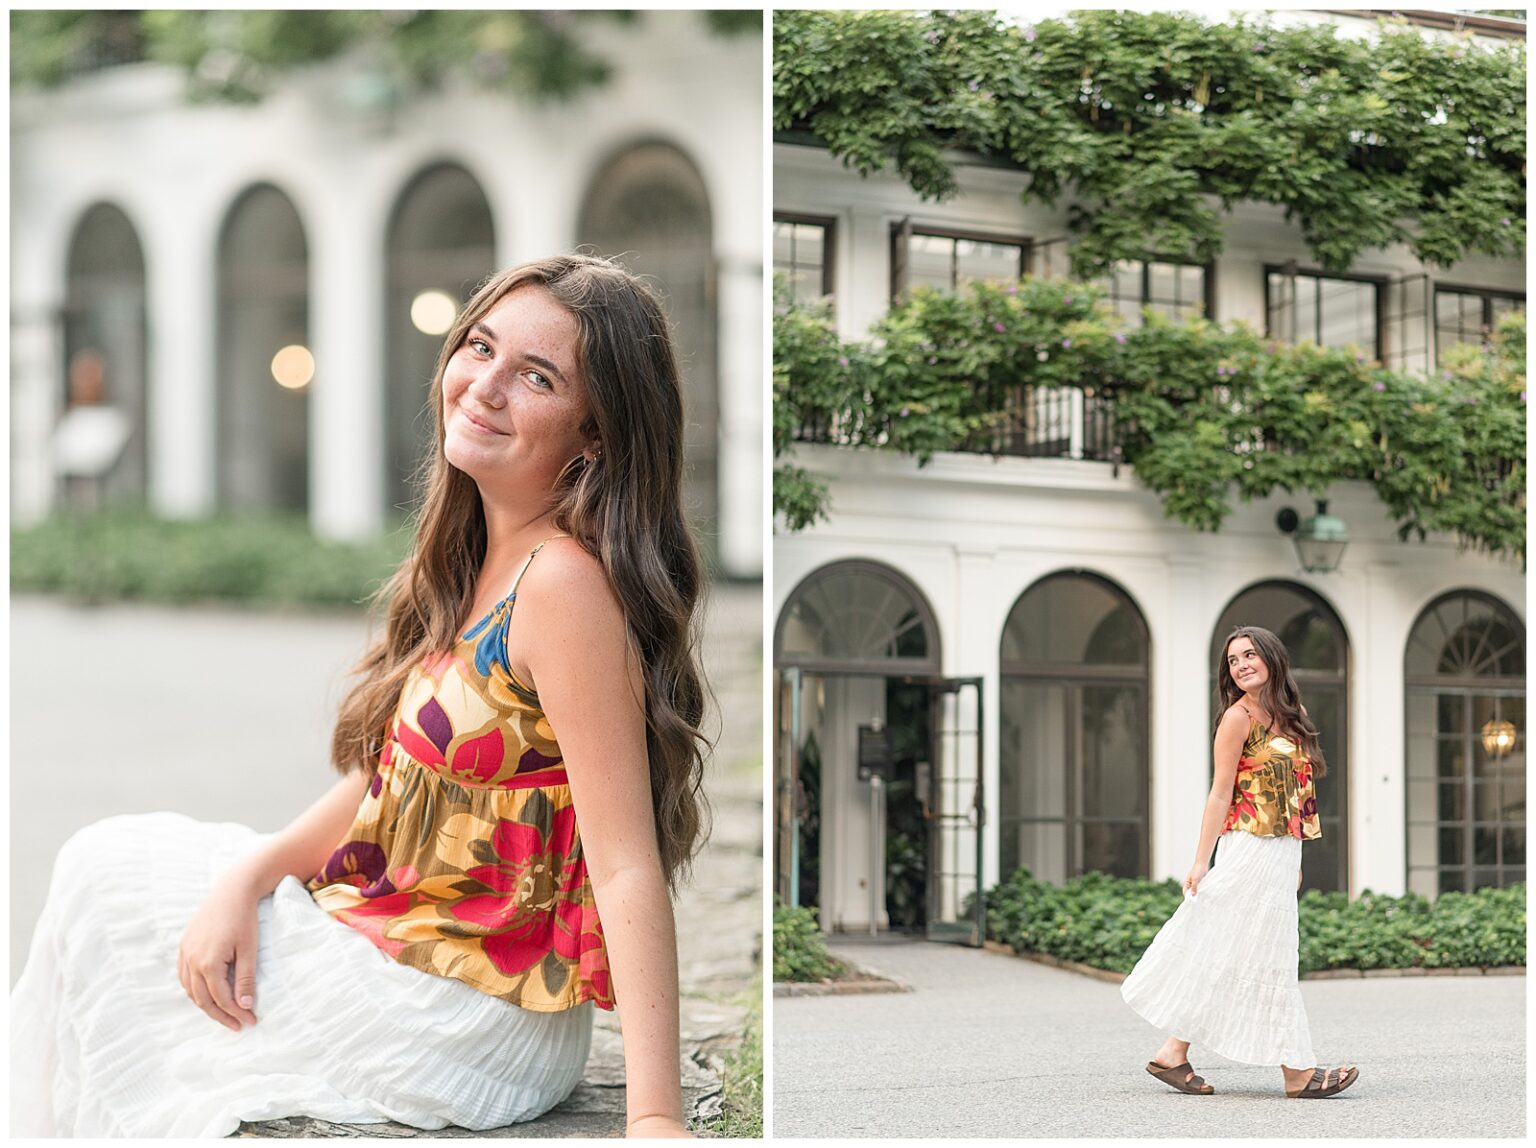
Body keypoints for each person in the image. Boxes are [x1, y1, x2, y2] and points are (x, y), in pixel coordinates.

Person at [11, 254, 710, 1138]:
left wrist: (654, 1118)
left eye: (535, 376)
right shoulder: (482, 558)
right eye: (480, 347)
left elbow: (624, 863)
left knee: (103, 882)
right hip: (412, 956)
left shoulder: (562, 586)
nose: (484, 386)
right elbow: (399, 780)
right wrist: (250, 876)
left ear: (596, 432)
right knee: (122, 881)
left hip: (465, 1015)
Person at [1119, 626, 1359, 1100]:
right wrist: (1200, 860)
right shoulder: (1238, 717)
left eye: (1249, 654)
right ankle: (1298, 1073)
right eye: (1233, 660)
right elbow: (1220, 791)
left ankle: (1172, 1053)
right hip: (1247, 846)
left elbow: (1297, 793)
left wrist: (1296, 855)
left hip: (1280, 849)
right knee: (1265, 952)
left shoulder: (1293, 715)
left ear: (1271, 658)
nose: (1242, 664)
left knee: (1239, 948)